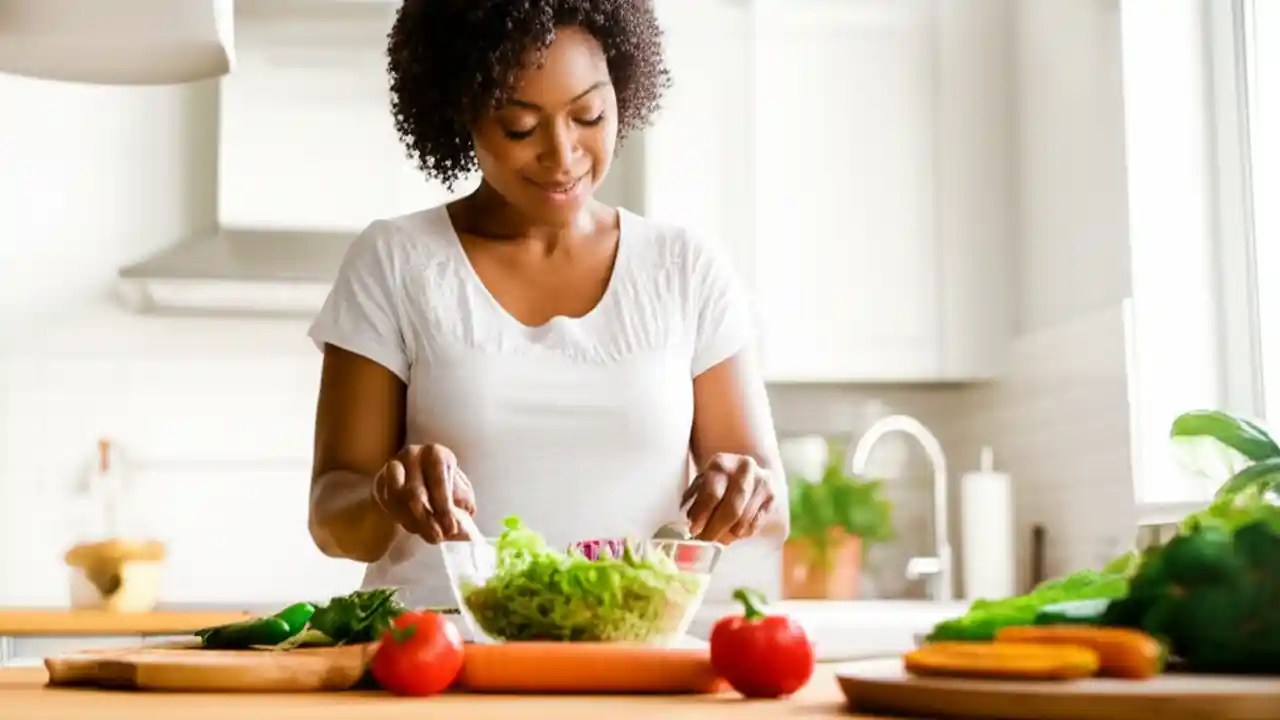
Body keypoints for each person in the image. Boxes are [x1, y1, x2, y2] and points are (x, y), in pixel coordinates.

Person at [306, 0, 788, 610]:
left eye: (589, 115)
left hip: (632, 659)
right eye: (520, 128)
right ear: (462, 112)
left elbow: (773, 516)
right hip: (440, 662)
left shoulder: (684, 268)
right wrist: (385, 494)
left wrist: (745, 495)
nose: (563, 155)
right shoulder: (395, 261)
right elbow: (330, 516)